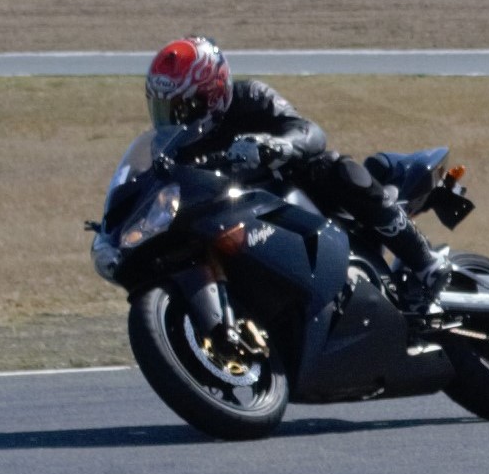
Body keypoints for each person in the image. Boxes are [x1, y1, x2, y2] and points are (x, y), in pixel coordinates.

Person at [146, 36, 444, 307]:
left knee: (336, 169)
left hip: (297, 194)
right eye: (164, 110)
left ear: (211, 95)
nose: (173, 120)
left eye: (182, 109)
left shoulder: (251, 97)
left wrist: (275, 146)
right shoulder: (175, 146)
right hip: (235, 213)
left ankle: (425, 263)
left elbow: (309, 132)